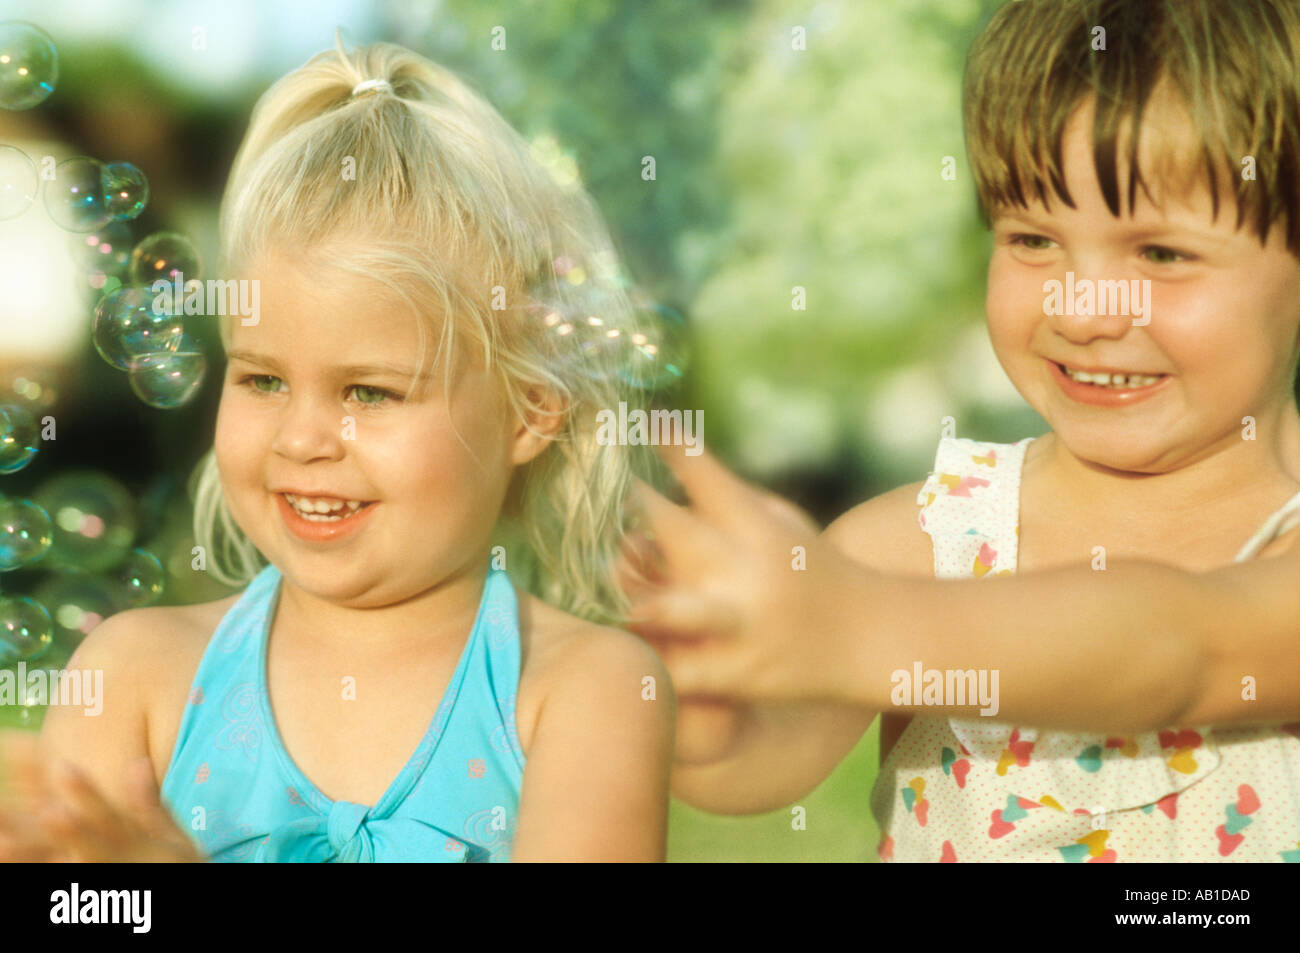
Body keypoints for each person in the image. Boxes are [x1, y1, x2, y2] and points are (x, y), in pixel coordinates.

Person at [623, 0, 1300, 861]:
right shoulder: (921, 544)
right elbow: (761, 761)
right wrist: (707, 696)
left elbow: (1182, 649)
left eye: (1161, 254)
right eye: (1033, 239)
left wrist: (851, 626)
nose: (1080, 310)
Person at [0, 37, 673, 863]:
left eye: (368, 392)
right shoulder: (133, 677)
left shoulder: (588, 691)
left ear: (530, 411)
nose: (301, 438)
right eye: (263, 380)